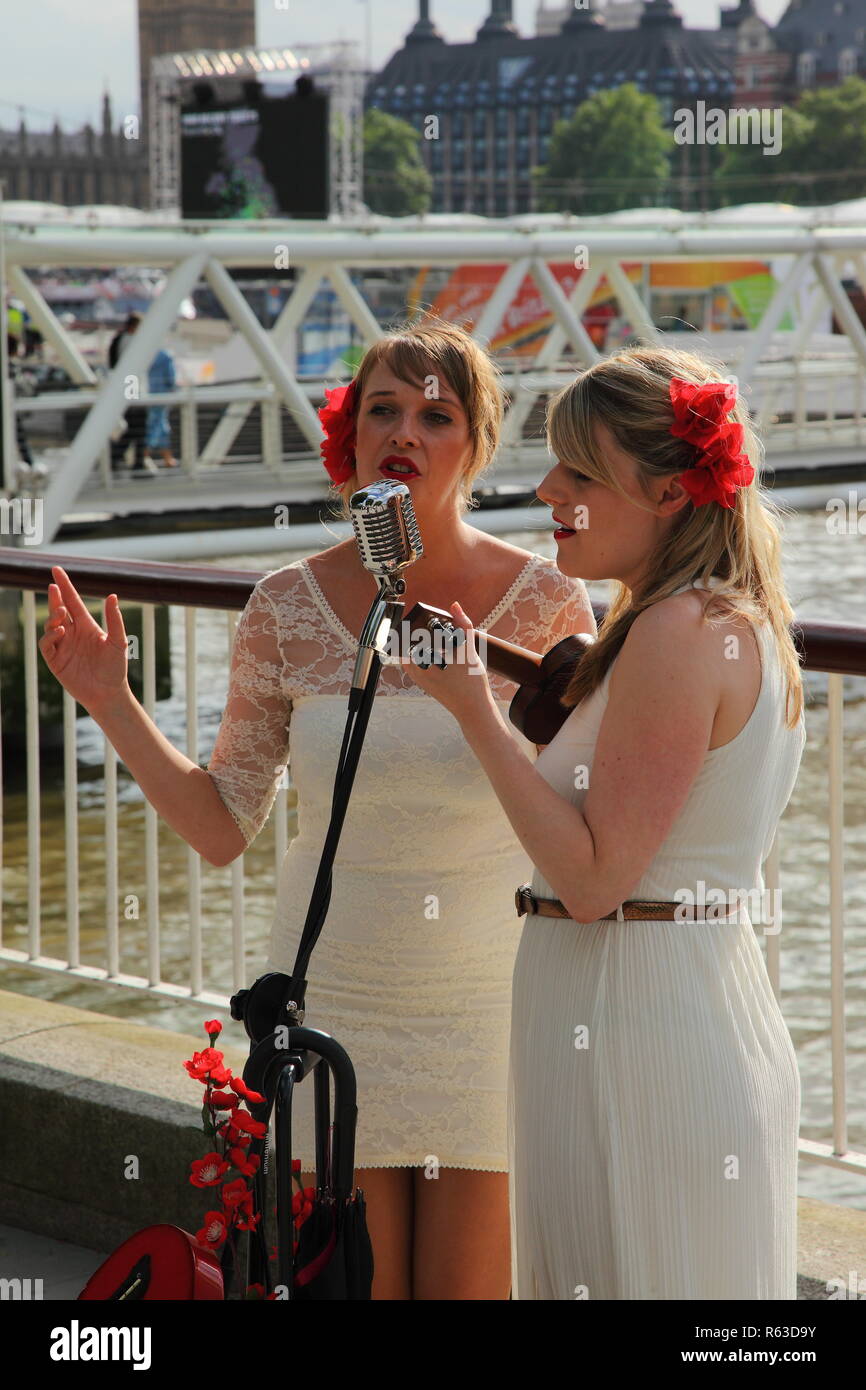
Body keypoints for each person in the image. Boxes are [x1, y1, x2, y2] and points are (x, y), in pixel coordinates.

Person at [38, 316, 597, 1300]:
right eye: (384, 407)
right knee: (354, 1289)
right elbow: (220, 826)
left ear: (474, 440)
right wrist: (109, 699)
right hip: (341, 1003)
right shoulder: (285, 608)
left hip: (489, 1005)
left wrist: (478, 705)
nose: (407, 431)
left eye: (437, 413)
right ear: (350, 437)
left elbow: (586, 813)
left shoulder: (546, 602)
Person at [404, 344, 807, 1299]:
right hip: (666, 999)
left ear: (668, 492)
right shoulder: (724, 619)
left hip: (638, 1029)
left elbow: (591, 881)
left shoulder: (675, 633)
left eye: (578, 472)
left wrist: (469, 708)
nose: (546, 488)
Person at [107, 314, 151, 475]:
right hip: (132, 387)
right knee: (138, 427)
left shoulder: (119, 340)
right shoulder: (130, 342)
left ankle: (120, 458)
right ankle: (131, 460)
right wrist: (135, 395)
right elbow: (133, 368)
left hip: (126, 386)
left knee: (134, 428)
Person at [144, 342, 178, 469]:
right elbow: (171, 378)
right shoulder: (164, 356)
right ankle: (145, 455)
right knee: (158, 425)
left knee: (156, 425)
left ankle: (165, 457)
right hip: (162, 394)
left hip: (145, 395)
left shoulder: (142, 354)